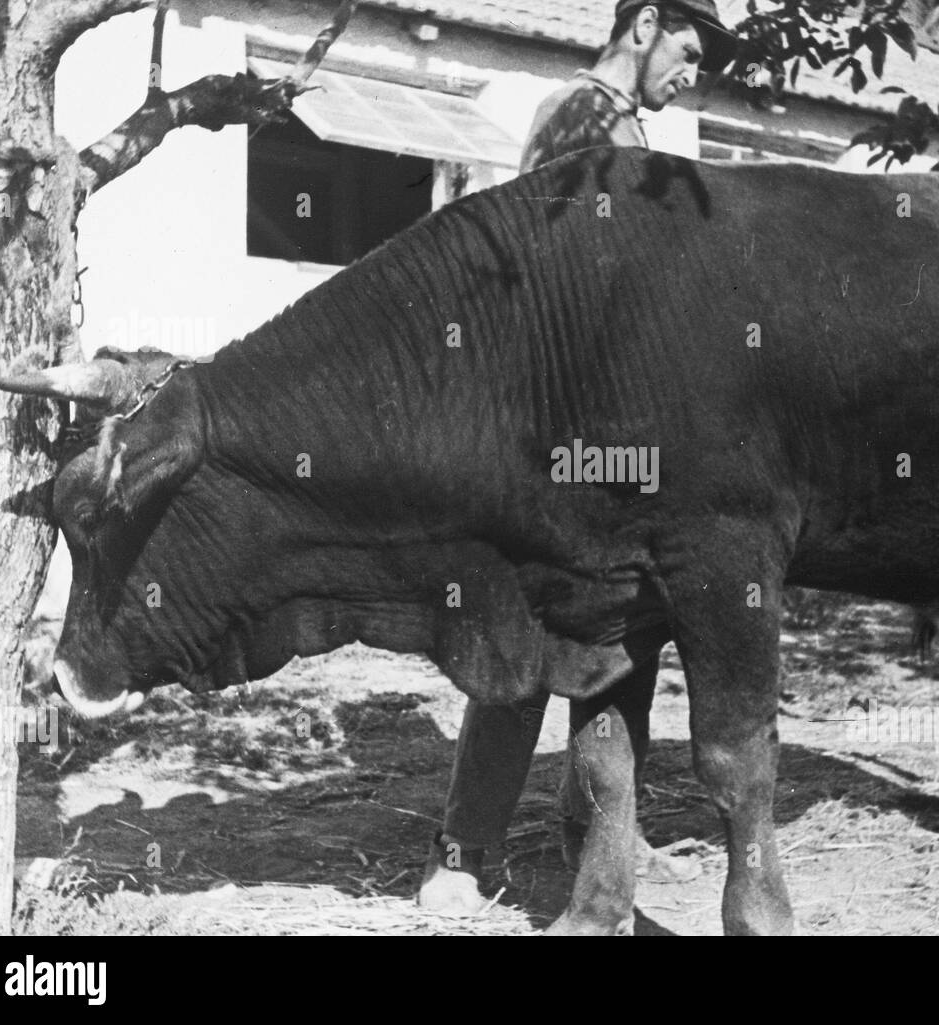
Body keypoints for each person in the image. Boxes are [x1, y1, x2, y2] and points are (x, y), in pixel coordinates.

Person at [417, 1, 737, 915]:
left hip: (618, 429)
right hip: (560, 424)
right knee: (530, 633)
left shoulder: (627, 127)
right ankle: (463, 850)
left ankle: (597, 834)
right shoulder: (581, 117)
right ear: (641, 26)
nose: (694, 71)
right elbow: (567, 278)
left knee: (620, 638)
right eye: (687, 48)